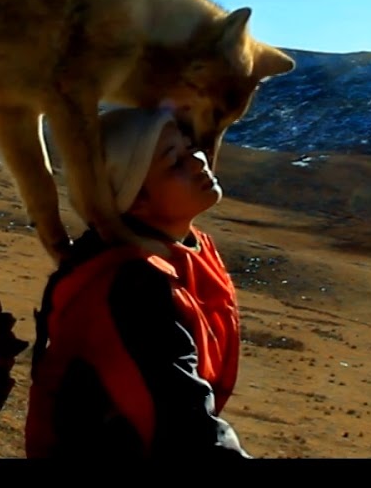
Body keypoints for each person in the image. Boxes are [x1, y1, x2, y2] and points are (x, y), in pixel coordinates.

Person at [25, 105, 249, 459]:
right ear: (135, 201)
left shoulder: (184, 251)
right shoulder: (131, 288)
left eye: (190, 147)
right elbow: (182, 429)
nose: (199, 161)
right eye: (174, 161)